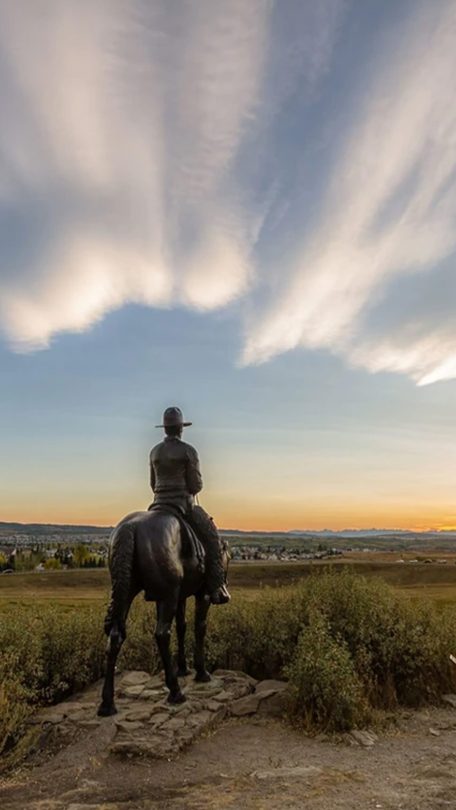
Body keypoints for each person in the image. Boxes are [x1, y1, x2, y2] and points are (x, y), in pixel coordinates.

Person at [149, 406, 230, 605]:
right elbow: (196, 485)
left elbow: (152, 484)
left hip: (158, 505)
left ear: (165, 429)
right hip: (183, 506)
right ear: (180, 428)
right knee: (212, 538)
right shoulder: (188, 451)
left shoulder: (155, 452)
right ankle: (216, 588)